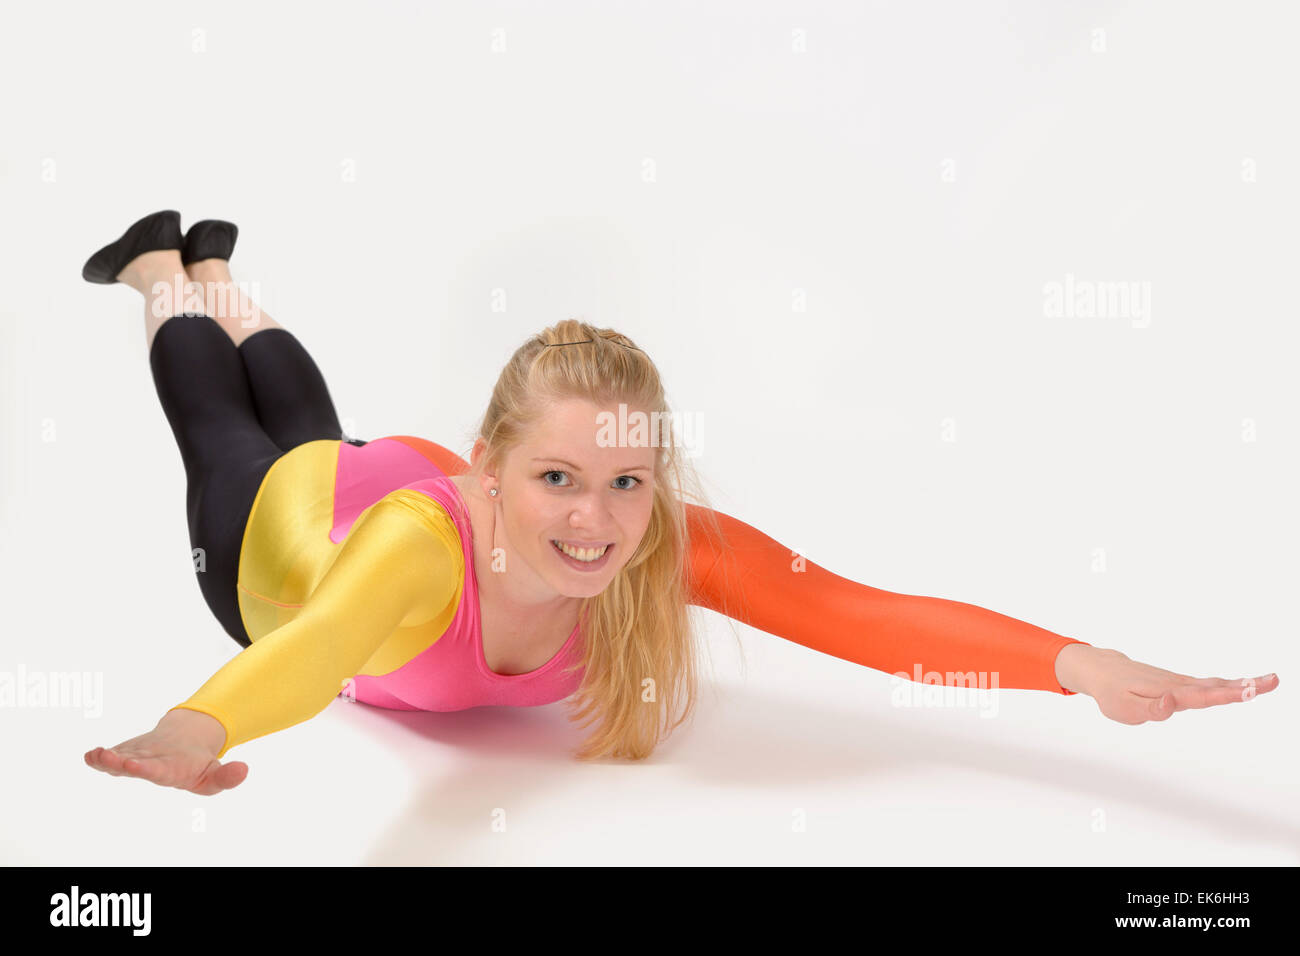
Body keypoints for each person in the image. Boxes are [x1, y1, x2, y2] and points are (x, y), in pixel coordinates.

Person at [80, 211, 1279, 796]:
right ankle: (158, 271)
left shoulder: (655, 542)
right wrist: (198, 727)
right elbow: (320, 648)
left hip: (373, 464)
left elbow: (866, 616)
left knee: (317, 419)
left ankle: (224, 271)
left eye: (622, 481)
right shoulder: (417, 549)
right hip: (285, 542)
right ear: (489, 466)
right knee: (234, 428)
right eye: (555, 478)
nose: (595, 523)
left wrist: (1081, 661)